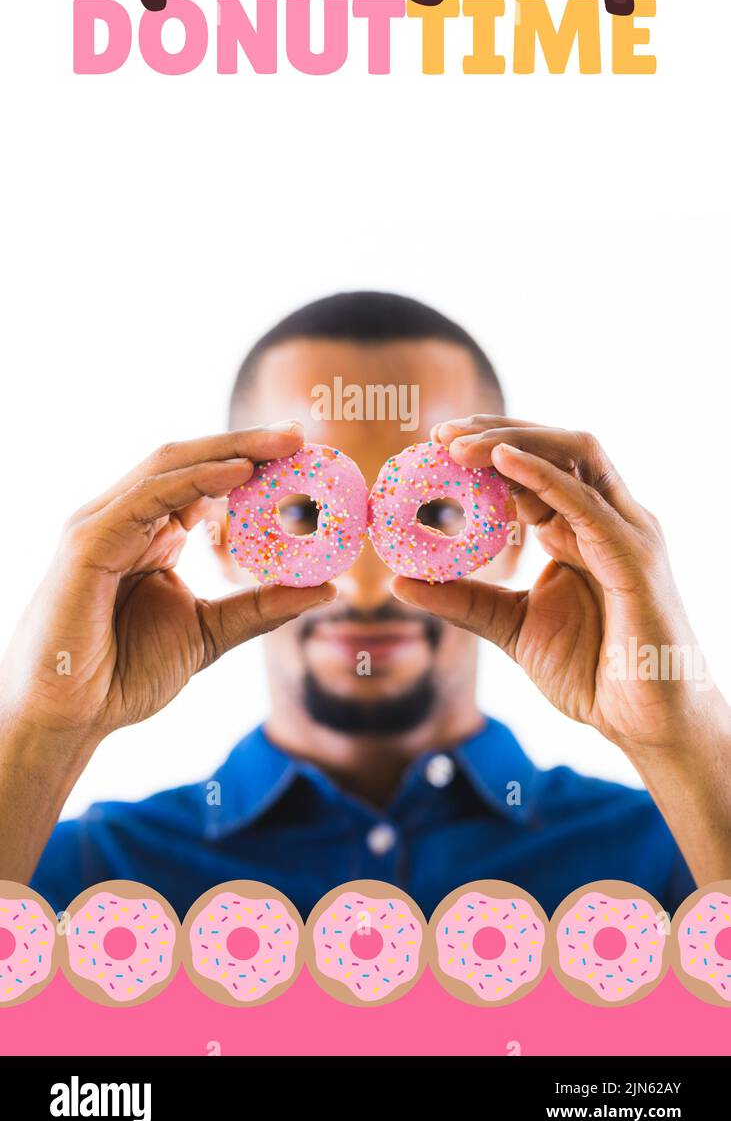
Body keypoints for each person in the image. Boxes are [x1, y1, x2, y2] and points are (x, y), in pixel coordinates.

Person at [1, 292, 729, 921]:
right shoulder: (85, 884)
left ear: (512, 536)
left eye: (434, 514)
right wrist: (44, 727)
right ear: (222, 538)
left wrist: (681, 747)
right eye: (306, 515)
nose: (367, 585)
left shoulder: (667, 864)